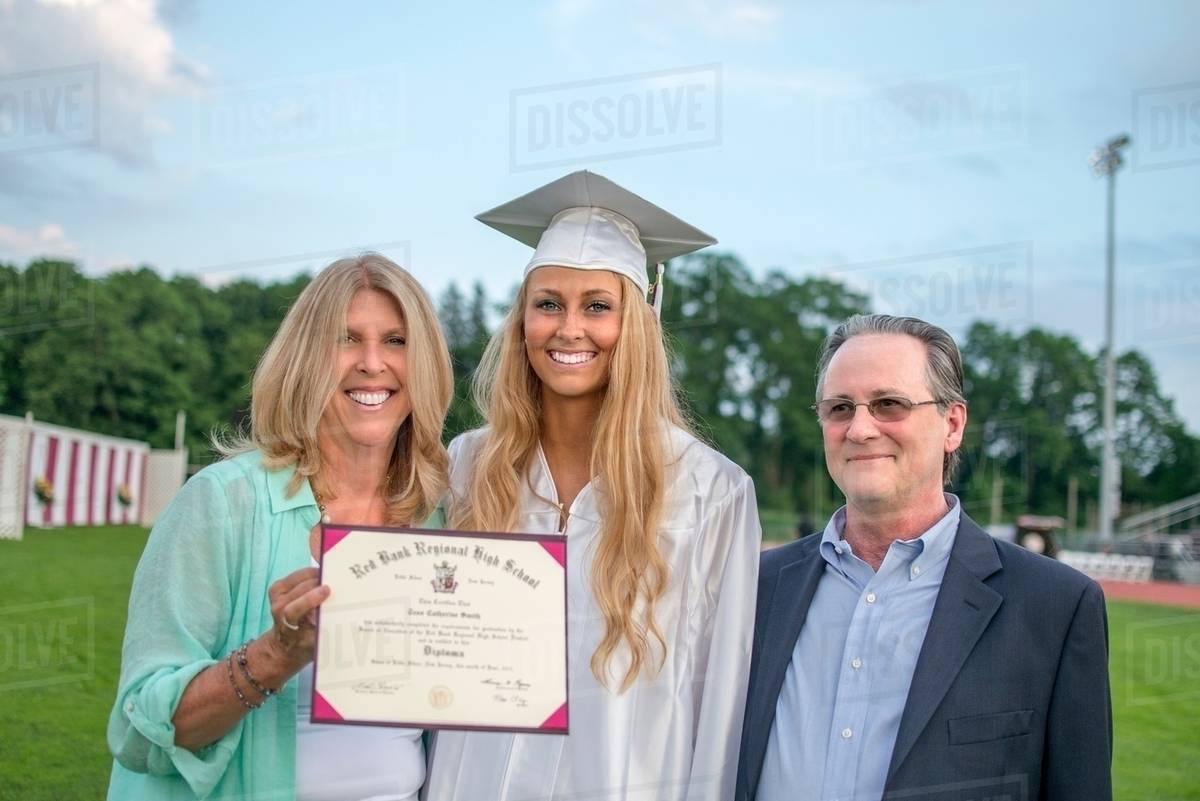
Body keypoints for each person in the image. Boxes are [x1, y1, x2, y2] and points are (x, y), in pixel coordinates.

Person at [426, 171, 762, 801]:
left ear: (634, 324)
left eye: (597, 306)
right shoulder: (470, 466)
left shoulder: (709, 491)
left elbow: (721, 703)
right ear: (522, 320)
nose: (568, 328)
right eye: (547, 302)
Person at [106, 253, 453, 801]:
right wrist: (275, 655)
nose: (371, 363)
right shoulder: (222, 503)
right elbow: (139, 730)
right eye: (346, 339)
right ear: (305, 360)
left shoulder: (441, 521)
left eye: (395, 341)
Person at [736, 314, 1112, 801]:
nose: (860, 428)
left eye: (888, 404)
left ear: (952, 424)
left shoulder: (1055, 607)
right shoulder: (755, 588)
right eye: (840, 408)